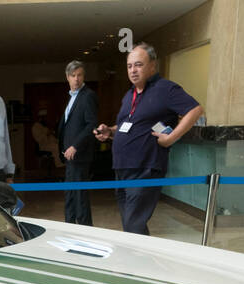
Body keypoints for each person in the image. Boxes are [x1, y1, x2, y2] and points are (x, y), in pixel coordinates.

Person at [93, 42, 203, 235]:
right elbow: (130, 125)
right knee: (131, 224)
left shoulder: (166, 89)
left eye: (138, 65)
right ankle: (143, 261)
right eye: (129, 66)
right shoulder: (130, 94)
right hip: (122, 168)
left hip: (145, 167)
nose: (133, 70)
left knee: (133, 223)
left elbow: (195, 110)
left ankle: (138, 262)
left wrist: (171, 138)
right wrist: (109, 131)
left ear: (153, 65)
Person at [57, 59, 98, 226]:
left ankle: (84, 231)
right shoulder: (72, 97)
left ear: (84, 76)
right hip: (69, 155)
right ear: (67, 77)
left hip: (79, 154)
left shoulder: (88, 96)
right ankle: (70, 226)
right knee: (70, 195)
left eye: (80, 75)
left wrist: (75, 146)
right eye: (73, 75)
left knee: (79, 197)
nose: (76, 79)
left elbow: (91, 124)